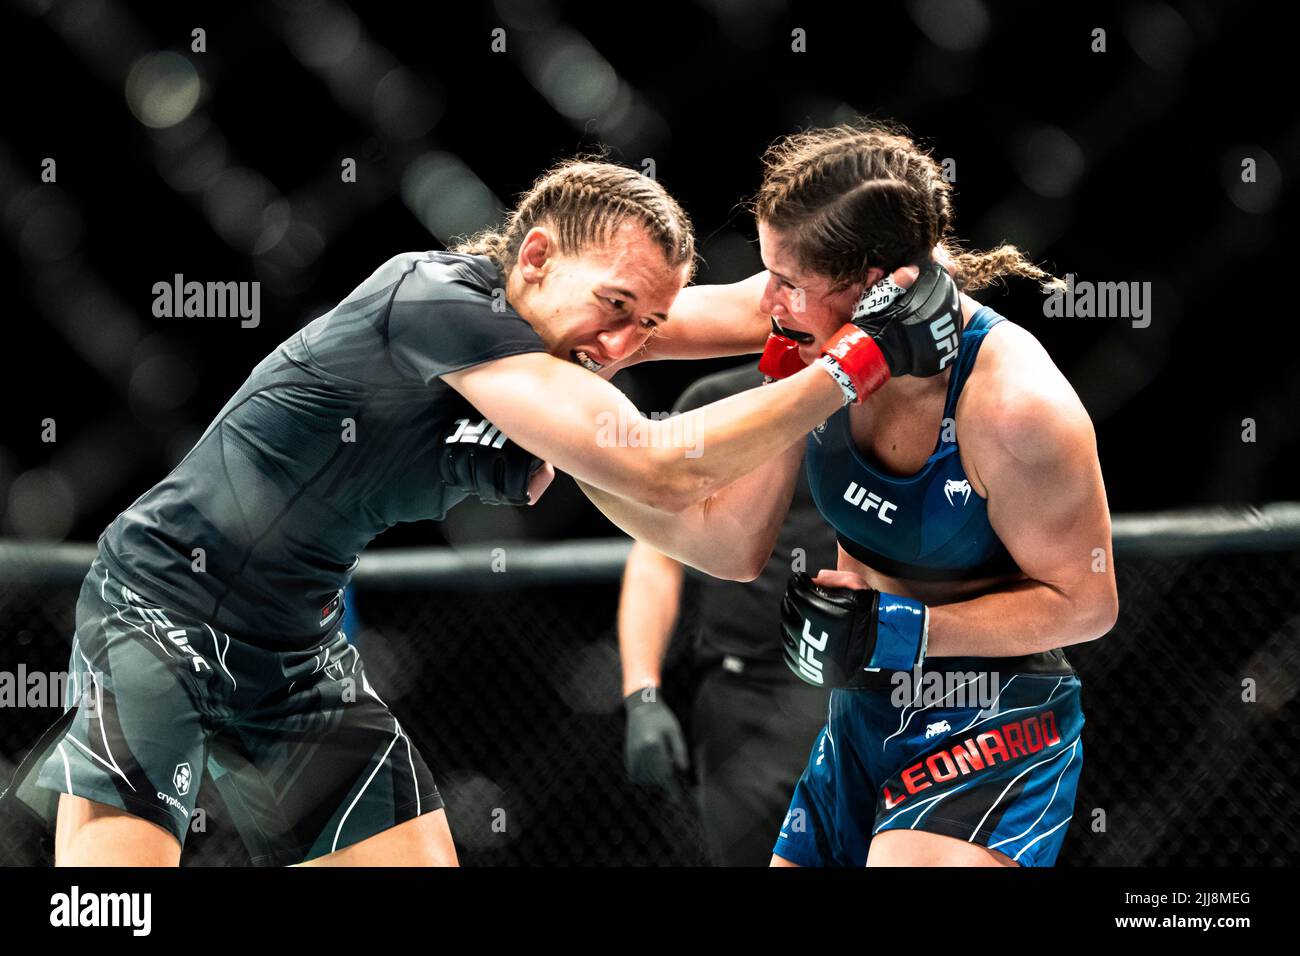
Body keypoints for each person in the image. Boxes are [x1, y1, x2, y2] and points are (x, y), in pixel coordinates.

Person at [0, 156, 903, 867]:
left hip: (292, 656)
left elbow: (766, 315)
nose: (627, 345)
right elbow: (662, 469)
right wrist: (850, 365)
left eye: (649, 324)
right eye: (616, 308)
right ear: (537, 256)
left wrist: (889, 265)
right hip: (161, 609)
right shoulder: (432, 302)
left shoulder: (563, 375)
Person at [580, 120, 1119, 867]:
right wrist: (513, 322)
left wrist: (904, 630)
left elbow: (1088, 603)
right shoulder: (814, 317)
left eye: (788, 282)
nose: (766, 299)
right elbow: (633, 323)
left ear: (875, 287)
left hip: (989, 715)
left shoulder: (1013, 405)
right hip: (863, 708)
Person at [619, 362, 836, 866]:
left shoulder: (899, 398)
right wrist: (641, 695)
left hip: (876, 688)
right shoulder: (717, 401)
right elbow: (656, 555)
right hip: (745, 698)